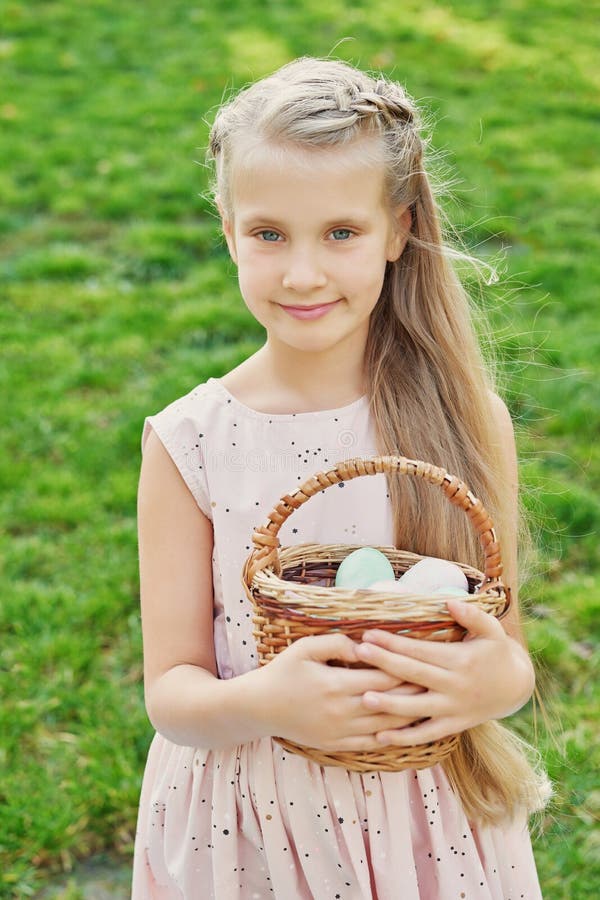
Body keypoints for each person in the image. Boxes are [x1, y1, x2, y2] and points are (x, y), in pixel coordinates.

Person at [131, 56, 550, 899]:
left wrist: (490, 684)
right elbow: (172, 692)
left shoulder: (467, 422)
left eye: (342, 233)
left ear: (398, 230)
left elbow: (509, 658)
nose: (303, 274)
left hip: (426, 820)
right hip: (250, 818)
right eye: (269, 234)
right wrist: (266, 702)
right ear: (227, 231)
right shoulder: (191, 442)